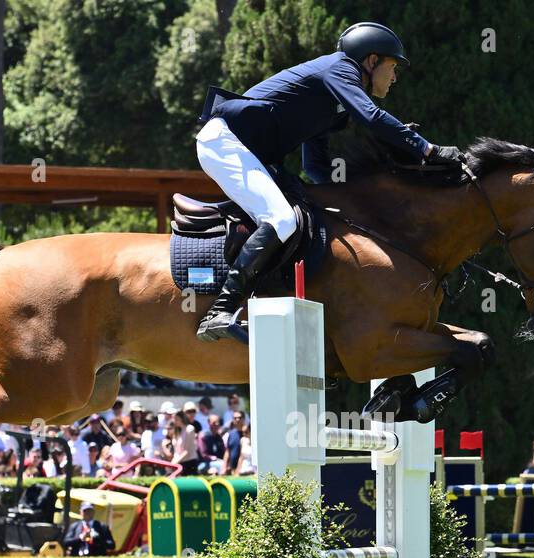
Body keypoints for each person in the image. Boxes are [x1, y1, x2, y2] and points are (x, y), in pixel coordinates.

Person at [193, 22, 458, 341]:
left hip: (247, 150)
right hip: (224, 142)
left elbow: (314, 165)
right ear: (371, 61)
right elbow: (371, 118)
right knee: (281, 219)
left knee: (307, 215)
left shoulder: (331, 104)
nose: (395, 77)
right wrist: (426, 149)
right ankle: (219, 311)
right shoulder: (339, 68)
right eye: (392, 67)